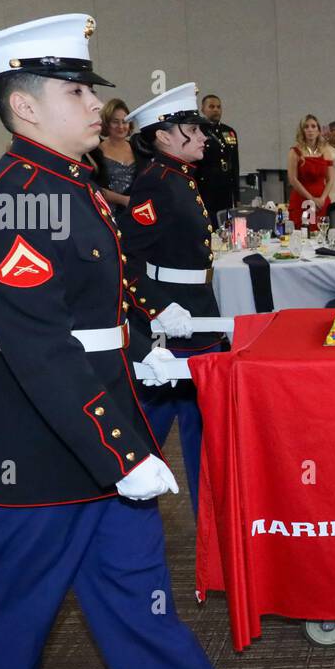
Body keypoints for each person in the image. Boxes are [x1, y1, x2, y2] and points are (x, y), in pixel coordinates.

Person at [0, 14, 274, 669]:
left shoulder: (69, 182)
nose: (98, 105)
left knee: (133, 574)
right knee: (14, 590)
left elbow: (98, 299)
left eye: (91, 90)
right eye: (75, 92)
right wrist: (122, 449)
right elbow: (38, 345)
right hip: (38, 436)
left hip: (100, 412)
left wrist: (146, 343)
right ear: (24, 107)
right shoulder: (11, 199)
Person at [119, 82, 226, 514]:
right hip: (173, 321)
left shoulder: (180, 177)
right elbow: (126, 257)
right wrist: (158, 308)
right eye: (192, 129)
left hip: (196, 310)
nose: (203, 137)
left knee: (202, 425)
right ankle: (125, 512)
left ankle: (210, 523)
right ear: (163, 136)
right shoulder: (157, 182)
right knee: (150, 428)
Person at [287, 114, 334, 227]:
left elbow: (331, 179)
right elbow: (293, 180)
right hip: (302, 200)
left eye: (313, 126)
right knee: (303, 232)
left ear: (318, 130)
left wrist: (322, 199)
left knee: (322, 231)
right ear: (302, 131)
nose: (310, 130)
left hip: (321, 201)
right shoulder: (294, 152)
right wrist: (311, 199)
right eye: (306, 127)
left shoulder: (326, 151)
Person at [197, 93, 239, 221]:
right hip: (205, 187)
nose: (216, 109)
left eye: (218, 107)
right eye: (211, 106)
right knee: (208, 222)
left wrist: (236, 195)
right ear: (203, 109)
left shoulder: (229, 132)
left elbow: (235, 164)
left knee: (226, 223)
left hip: (225, 187)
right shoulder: (198, 131)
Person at [93, 97, 136, 211]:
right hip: (106, 212)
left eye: (125, 121)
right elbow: (93, 187)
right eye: (115, 122)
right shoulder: (95, 152)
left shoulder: (137, 148)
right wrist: (124, 200)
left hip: (136, 212)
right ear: (106, 123)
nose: (121, 126)